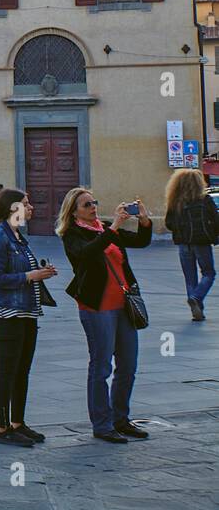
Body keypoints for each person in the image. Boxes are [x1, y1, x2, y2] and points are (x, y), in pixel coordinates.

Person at [57, 187, 153, 444]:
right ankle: (102, 424)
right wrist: (112, 230)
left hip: (123, 305)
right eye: (86, 205)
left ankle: (121, 419)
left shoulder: (106, 227)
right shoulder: (72, 234)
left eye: (94, 202)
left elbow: (141, 241)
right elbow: (86, 255)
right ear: (74, 210)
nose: (93, 208)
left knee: (128, 365)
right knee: (101, 366)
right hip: (96, 307)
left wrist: (143, 220)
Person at [0, 188, 57, 448]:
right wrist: (31, 276)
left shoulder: (17, 237)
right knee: (6, 370)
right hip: (7, 313)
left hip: (26, 311)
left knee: (22, 369)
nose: (31, 208)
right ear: (13, 208)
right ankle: (1, 428)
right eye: (26, 204)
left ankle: (18, 423)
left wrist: (40, 272)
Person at [163, 168, 216, 321]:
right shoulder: (205, 200)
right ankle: (197, 298)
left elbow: (169, 223)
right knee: (209, 273)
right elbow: (216, 219)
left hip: (183, 243)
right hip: (202, 242)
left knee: (190, 277)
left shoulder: (175, 201)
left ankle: (196, 309)